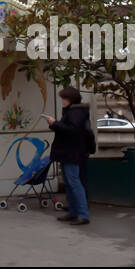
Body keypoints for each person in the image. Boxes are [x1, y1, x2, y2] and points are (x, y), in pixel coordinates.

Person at [44, 87, 93, 225]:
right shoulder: (73, 111)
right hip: (68, 151)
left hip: (72, 152)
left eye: (64, 98)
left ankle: (82, 214)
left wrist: (55, 124)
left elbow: (72, 131)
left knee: (73, 182)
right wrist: (55, 124)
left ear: (70, 99)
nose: (62, 101)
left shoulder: (75, 112)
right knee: (70, 182)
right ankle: (74, 212)